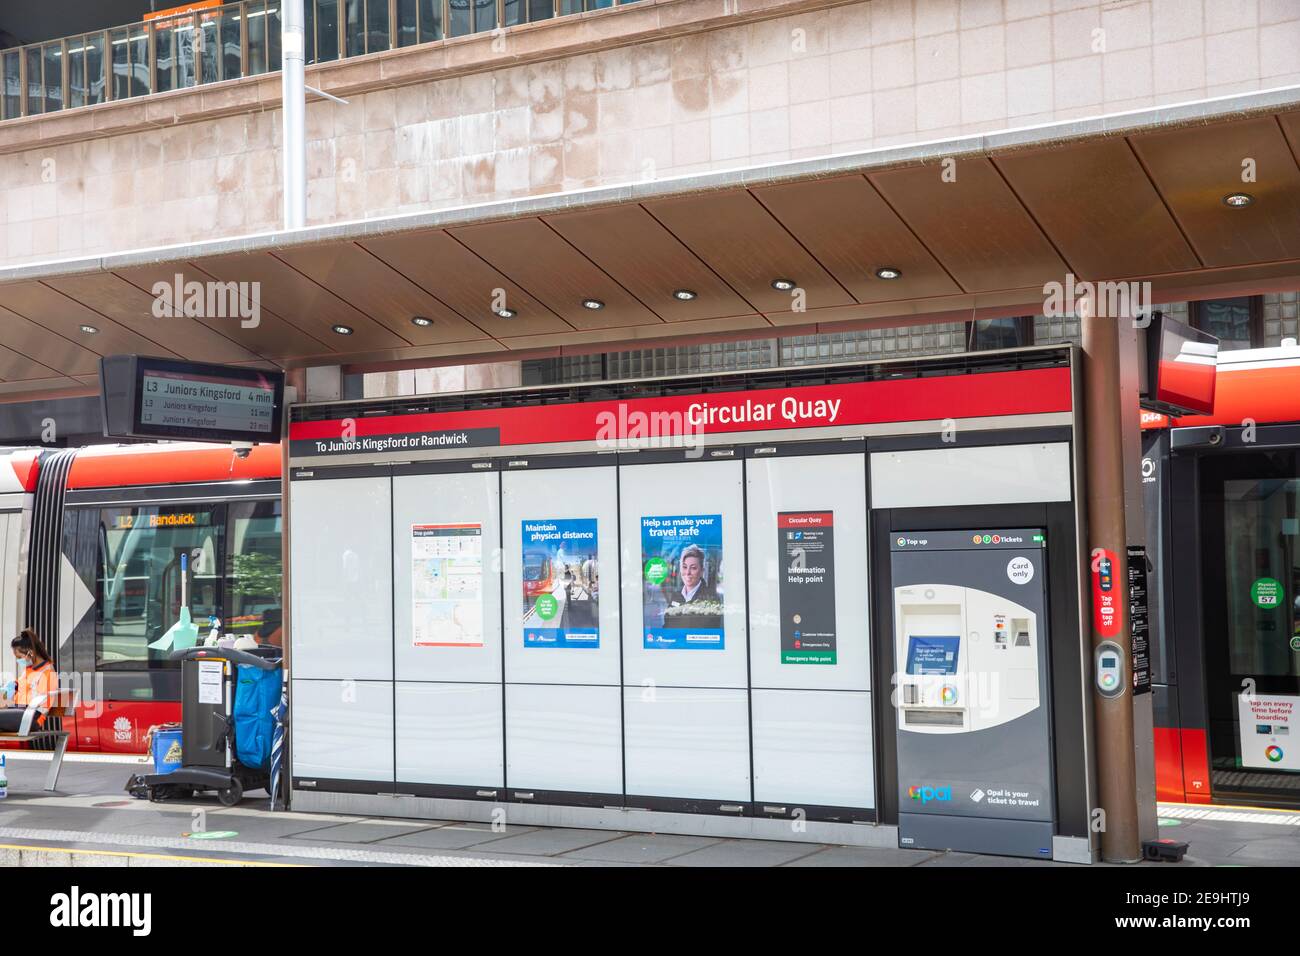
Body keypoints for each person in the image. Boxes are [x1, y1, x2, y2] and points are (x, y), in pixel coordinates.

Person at [0, 629, 57, 732]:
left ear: (30, 653)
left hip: (32, 717)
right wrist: (12, 688)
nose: (18, 661)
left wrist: (10, 702)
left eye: (19, 657)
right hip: (19, 710)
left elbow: (41, 704)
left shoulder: (48, 672)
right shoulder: (28, 670)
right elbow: (19, 686)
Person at [660, 544, 722, 628]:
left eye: (693, 568)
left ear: (702, 571)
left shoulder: (710, 598)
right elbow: (667, 625)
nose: (688, 572)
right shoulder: (676, 595)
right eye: (685, 567)